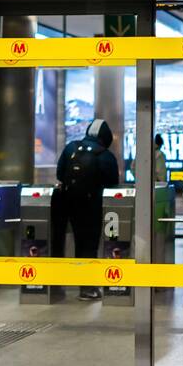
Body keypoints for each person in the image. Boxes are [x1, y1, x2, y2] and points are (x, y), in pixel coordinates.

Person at [51, 118, 120, 301]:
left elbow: (60, 174)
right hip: (92, 206)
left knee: (65, 242)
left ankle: (54, 286)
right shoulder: (105, 155)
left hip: (68, 204)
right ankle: (87, 288)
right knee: (89, 245)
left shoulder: (70, 148)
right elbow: (113, 183)